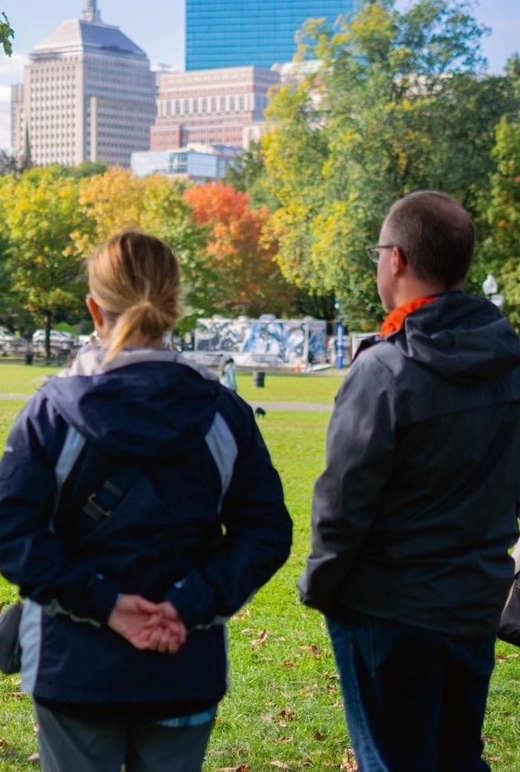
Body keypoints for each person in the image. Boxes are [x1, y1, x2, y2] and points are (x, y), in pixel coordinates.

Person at [0, 231, 292, 772]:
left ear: (94, 309)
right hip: (182, 662)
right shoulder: (224, 416)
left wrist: (104, 603)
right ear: (175, 305)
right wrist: (189, 603)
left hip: (74, 667)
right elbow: (266, 532)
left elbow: (11, 532)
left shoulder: (51, 416)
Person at [299, 191, 520, 771]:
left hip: (388, 611)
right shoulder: (509, 359)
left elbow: (343, 500)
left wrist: (322, 585)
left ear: (395, 260)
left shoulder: (385, 369)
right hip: (473, 601)